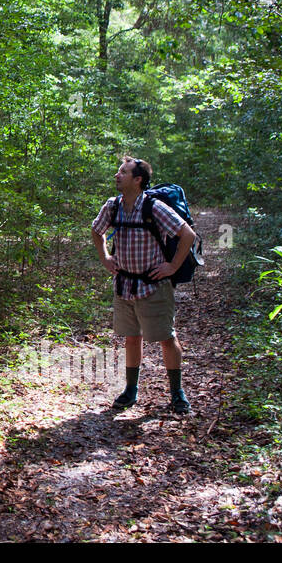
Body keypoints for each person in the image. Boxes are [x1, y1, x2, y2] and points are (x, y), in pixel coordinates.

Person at [90, 156, 196, 414]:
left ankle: (177, 393)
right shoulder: (112, 206)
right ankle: (131, 390)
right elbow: (96, 230)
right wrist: (105, 258)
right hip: (124, 285)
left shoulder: (154, 207)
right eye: (118, 171)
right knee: (131, 337)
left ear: (138, 179)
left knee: (166, 338)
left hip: (154, 286)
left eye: (123, 172)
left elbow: (187, 235)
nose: (117, 175)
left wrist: (172, 266)